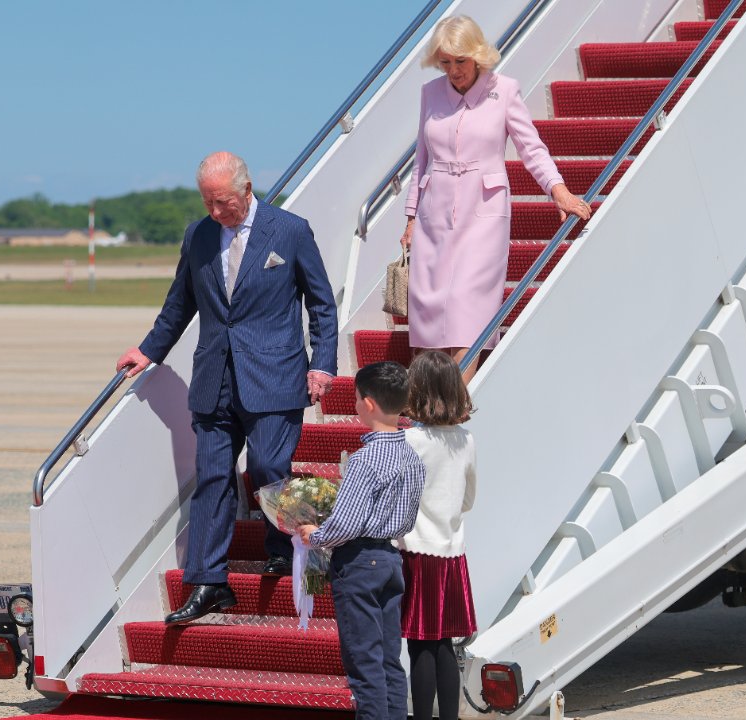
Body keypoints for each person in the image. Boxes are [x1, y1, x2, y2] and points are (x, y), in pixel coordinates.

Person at [116, 151, 339, 624]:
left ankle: (283, 546)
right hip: (215, 377)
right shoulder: (198, 235)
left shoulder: (290, 230)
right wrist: (148, 349)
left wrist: (322, 365)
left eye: (221, 203)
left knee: (268, 466)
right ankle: (208, 583)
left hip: (275, 374)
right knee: (213, 478)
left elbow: (322, 304)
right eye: (207, 203)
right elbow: (180, 302)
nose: (214, 212)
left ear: (246, 189)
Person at [401, 15, 593, 380]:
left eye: (460, 61)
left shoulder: (503, 90)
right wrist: (410, 217)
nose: (453, 71)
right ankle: (429, 401)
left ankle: (454, 405)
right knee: (428, 308)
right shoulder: (430, 93)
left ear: (477, 55)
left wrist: (559, 191)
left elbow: (531, 149)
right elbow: (421, 160)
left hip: (483, 211)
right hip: (433, 211)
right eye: (445, 62)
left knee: (466, 304)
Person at [298, 361, 426, 720]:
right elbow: (407, 518)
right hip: (389, 560)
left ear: (368, 404)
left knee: (364, 665)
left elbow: (348, 524)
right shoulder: (413, 459)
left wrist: (316, 535)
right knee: (388, 661)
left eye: (356, 399)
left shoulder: (365, 461)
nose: (355, 406)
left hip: (359, 565)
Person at [398, 351, 478, 720]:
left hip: (416, 550)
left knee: (421, 646)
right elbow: (468, 500)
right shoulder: (466, 440)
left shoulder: (409, 441)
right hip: (452, 549)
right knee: (445, 642)